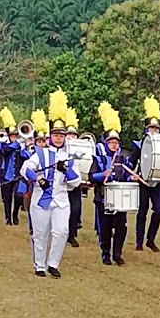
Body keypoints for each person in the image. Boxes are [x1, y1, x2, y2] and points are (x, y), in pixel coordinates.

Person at [21, 119, 83, 278]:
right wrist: (38, 179)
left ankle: (53, 264)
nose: (58, 138)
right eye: (55, 135)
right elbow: (25, 168)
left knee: (62, 232)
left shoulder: (70, 157)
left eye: (61, 136)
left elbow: (76, 181)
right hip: (41, 199)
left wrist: (65, 169)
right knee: (40, 234)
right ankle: (39, 266)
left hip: (61, 200)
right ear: (51, 136)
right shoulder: (41, 152)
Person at [91, 130, 138, 266]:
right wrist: (103, 175)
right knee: (105, 228)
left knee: (121, 227)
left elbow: (125, 176)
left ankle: (117, 254)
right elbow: (92, 176)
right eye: (111, 142)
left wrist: (131, 178)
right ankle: (106, 253)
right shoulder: (98, 159)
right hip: (103, 198)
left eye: (116, 142)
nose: (114, 145)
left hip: (120, 199)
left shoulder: (122, 160)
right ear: (106, 144)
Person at [133, 112, 160, 253]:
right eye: (151, 128)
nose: (154, 131)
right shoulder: (139, 145)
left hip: (157, 183)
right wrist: (134, 176)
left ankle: (150, 239)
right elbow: (130, 163)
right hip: (143, 182)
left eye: (156, 128)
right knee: (142, 212)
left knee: (159, 210)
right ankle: (139, 242)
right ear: (146, 129)